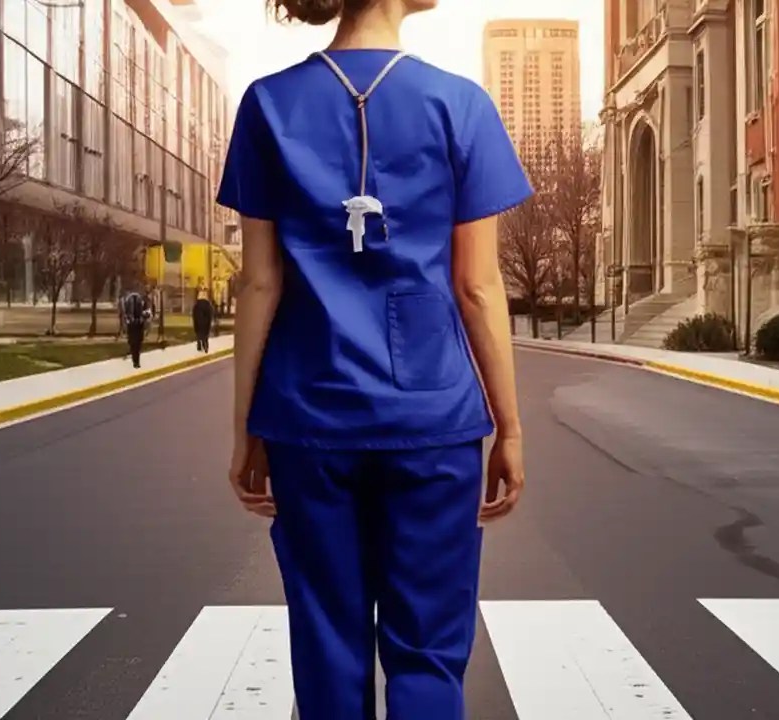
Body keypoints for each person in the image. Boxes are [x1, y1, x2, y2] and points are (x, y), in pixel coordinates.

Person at [217, 0, 529, 717]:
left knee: (327, 644)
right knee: (426, 651)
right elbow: (477, 287)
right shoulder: (460, 105)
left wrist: (246, 428)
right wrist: (508, 428)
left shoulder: (268, 104)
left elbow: (259, 282)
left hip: (307, 416)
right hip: (435, 420)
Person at [120, 286, 152, 369]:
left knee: (136, 343)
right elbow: (125, 313)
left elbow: (147, 312)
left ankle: (135, 360)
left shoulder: (140, 300)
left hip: (135, 325)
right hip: (135, 325)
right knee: (135, 343)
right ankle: (136, 360)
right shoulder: (131, 300)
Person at [192, 289, 215, 353]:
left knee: (199, 333)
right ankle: (205, 345)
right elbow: (210, 315)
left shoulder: (196, 305)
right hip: (206, 322)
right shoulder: (208, 305)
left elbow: (194, 315)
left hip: (198, 322)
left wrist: (195, 322)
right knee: (205, 334)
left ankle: (199, 344)